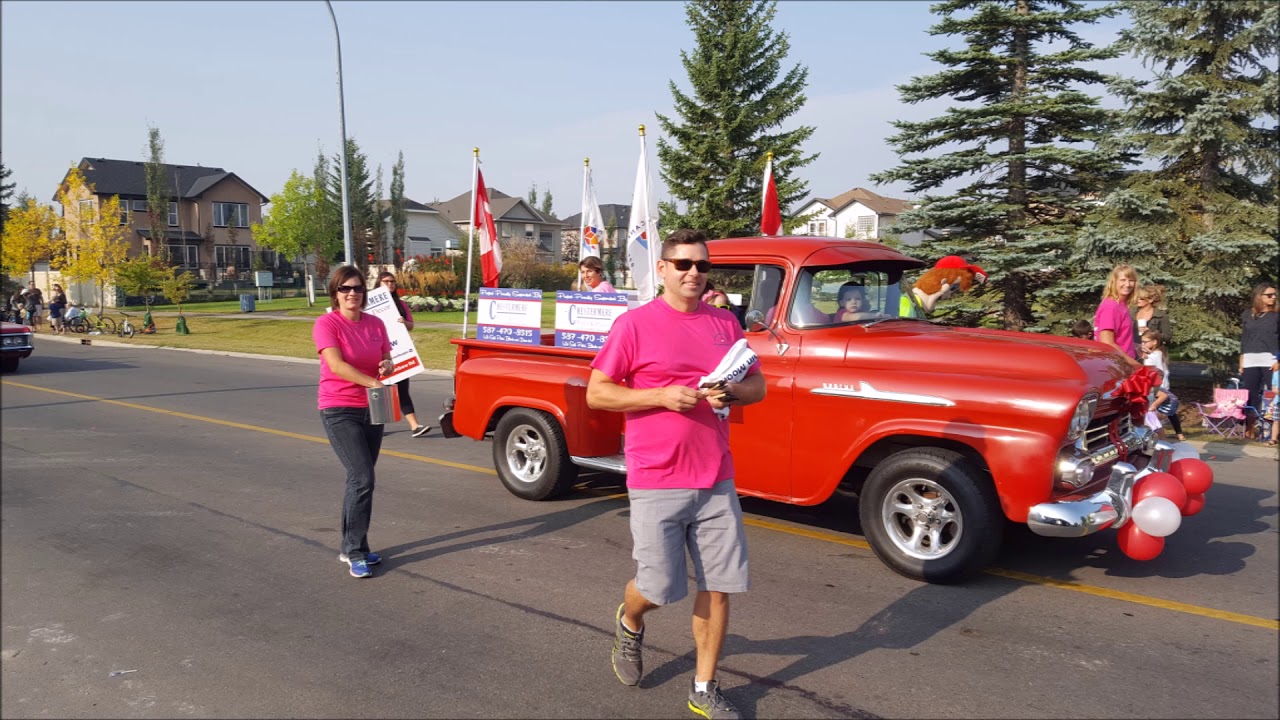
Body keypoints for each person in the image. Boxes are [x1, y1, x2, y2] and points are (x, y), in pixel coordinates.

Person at [587, 229, 766, 720]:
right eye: (683, 264)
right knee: (659, 587)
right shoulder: (634, 325)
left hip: (715, 476)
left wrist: (731, 394)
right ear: (662, 268)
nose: (693, 273)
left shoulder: (724, 323)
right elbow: (597, 394)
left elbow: (757, 385)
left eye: (702, 265)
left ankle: (704, 687)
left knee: (720, 585)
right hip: (655, 477)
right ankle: (629, 620)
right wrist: (660, 396)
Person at [313, 266, 394, 579]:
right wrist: (373, 382)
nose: (352, 294)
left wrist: (385, 365)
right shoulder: (326, 324)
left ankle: (353, 545)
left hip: (372, 409)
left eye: (358, 288)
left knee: (362, 479)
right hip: (339, 408)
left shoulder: (376, 324)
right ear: (335, 293)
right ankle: (355, 552)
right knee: (362, 478)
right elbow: (336, 365)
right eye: (345, 288)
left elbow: (386, 359)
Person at [376, 271, 430, 438]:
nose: (390, 284)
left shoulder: (400, 305)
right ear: (379, 283)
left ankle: (415, 426)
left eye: (392, 281)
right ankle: (376, 427)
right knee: (378, 391)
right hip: (376, 353)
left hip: (397, 353)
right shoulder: (367, 304)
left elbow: (411, 326)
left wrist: (403, 322)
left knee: (402, 390)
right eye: (386, 281)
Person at [1239, 282, 1278, 440]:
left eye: (1275, 295)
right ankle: (1249, 429)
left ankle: (1273, 431)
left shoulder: (1276, 316)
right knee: (1250, 395)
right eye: (1269, 295)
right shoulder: (1248, 314)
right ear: (1259, 296)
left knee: (1274, 395)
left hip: (1271, 359)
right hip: (1250, 359)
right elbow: (1244, 338)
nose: (1273, 298)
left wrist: (1279, 359)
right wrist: (1241, 359)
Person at [1093, 264, 1141, 368]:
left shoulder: (1121, 305)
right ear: (1114, 282)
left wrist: (1135, 346)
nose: (1127, 284)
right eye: (1123, 280)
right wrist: (1135, 365)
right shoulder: (1111, 307)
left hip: (1122, 363)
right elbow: (1107, 343)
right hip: (1116, 365)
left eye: (1131, 280)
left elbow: (1120, 338)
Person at [1140, 329, 1185, 441]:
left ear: (1154, 342)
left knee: (1150, 418)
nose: (1143, 344)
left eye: (1145, 342)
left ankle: (1160, 439)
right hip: (1163, 387)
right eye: (1142, 342)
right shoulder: (1159, 353)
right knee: (1157, 418)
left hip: (1158, 388)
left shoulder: (1153, 356)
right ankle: (1176, 434)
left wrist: (1145, 355)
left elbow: (1150, 371)